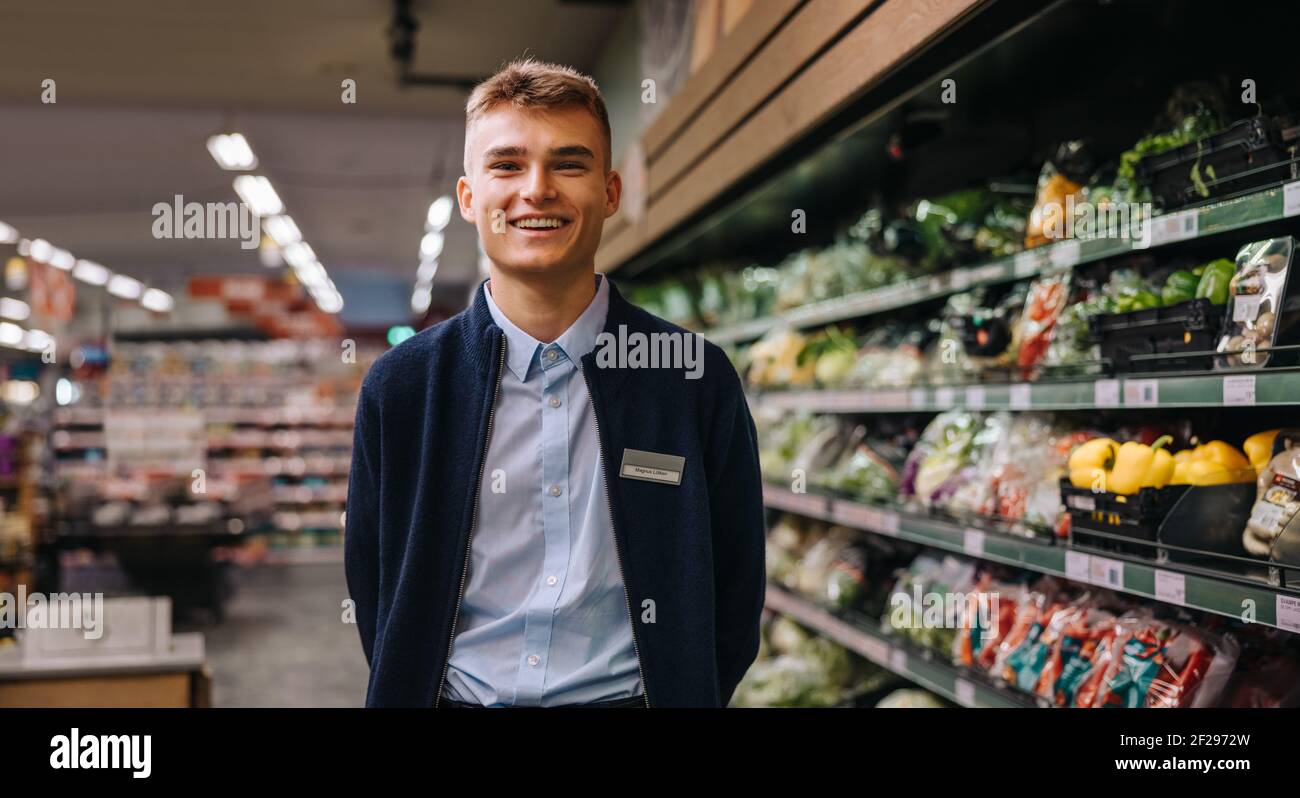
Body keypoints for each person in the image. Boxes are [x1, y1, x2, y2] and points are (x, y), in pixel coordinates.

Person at [344, 58, 765, 708]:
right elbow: (379, 592)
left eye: (568, 164)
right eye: (507, 165)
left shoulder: (693, 380)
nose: (536, 189)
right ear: (468, 197)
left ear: (611, 191)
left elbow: (736, 592)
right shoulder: (403, 390)